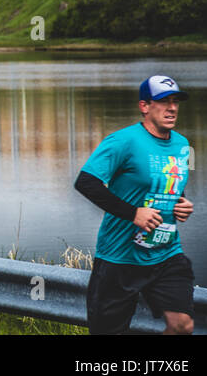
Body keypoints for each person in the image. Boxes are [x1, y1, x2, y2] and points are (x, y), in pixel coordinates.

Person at [75, 75, 196, 335]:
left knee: (182, 325)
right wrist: (133, 213)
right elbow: (86, 182)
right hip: (120, 257)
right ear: (144, 106)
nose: (172, 108)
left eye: (175, 102)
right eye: (164, 102)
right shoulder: (123, 141)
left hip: (166, 253)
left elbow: (172, 183)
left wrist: (182, 203)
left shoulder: (182, 145)